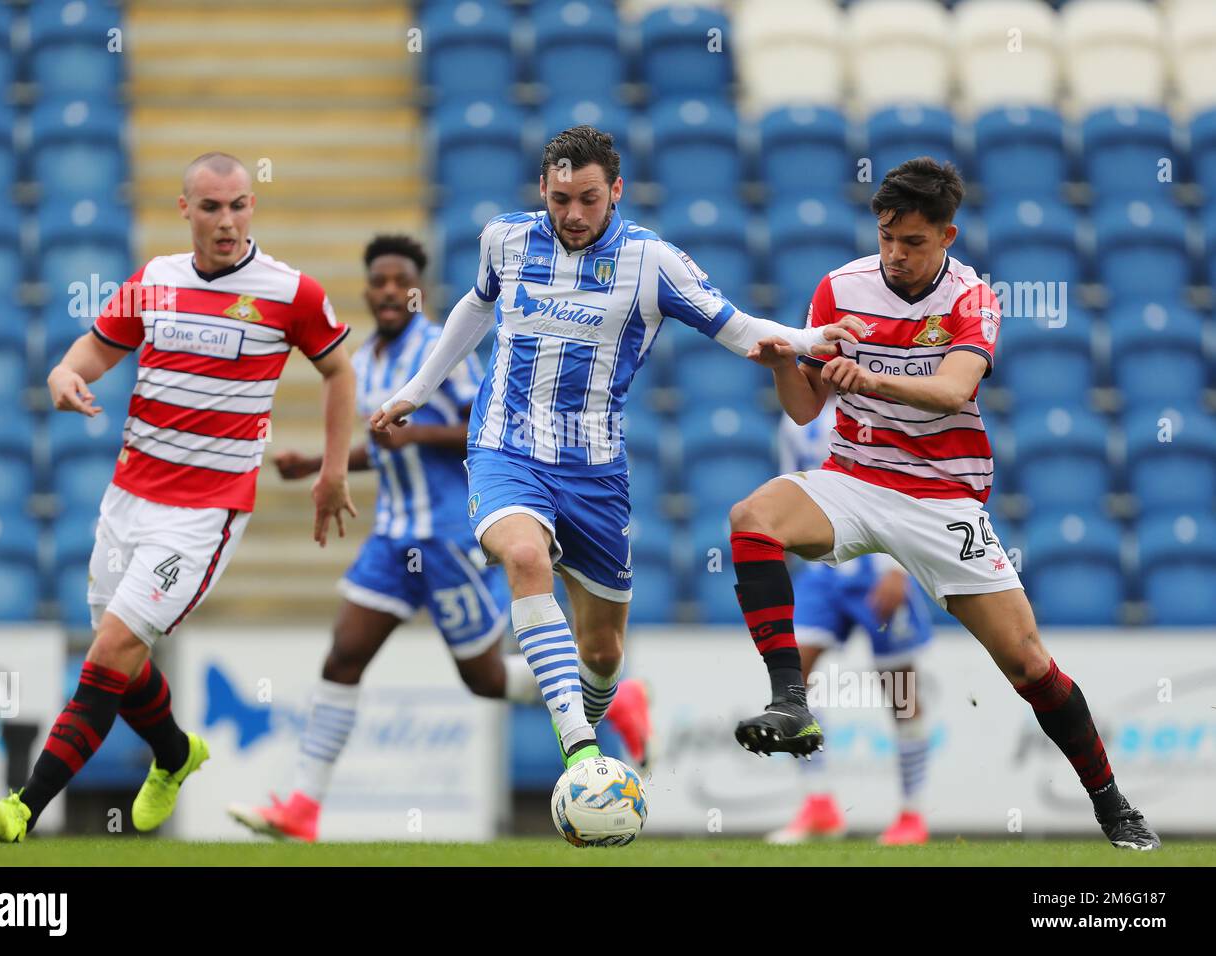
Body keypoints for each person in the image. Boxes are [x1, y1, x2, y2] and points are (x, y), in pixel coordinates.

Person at [372, 126, 860, 769]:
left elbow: (740, 330)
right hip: (506, 446)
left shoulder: (651, 260)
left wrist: (811, 338)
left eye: (590, 199)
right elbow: (476, 304)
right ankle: (581, 751)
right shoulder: (506, 239)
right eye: (560, 198)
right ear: (543, 190)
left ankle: (605, 709)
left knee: (601, 655)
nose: (573, 214)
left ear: (617, 191)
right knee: (524, 555)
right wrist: (416, 388)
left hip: (594, 471)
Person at [730, 157, 1159, 849]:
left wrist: (867, 376)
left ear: (948, 236)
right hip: (854, 476)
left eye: (914, 242)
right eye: (887, 238)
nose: (896, 255)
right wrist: (787, 364)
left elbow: (954, 390)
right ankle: (789, 703)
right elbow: (807, 410)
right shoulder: (839, 288)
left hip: (941, 499)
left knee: (1028, 664)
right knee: (751, 518)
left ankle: (1112, 804)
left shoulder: (971, 299)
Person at [0, 152, 356, 842]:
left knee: (112, 649)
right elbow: (92, 351)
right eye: (211, 208)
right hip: (128, 498)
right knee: (122, 654)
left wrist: (333, 471)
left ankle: (23, 807)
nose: (227, 221)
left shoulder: (290, 292)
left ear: (252, 208)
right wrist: (63, 374)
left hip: (204, 515)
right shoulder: (155, 281)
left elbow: (338, 370)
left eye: (239, 205)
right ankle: (176, 756)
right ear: (186, 210)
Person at [227, 235, 650, 841]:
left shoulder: (441, 351)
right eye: (380, 281)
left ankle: (613, 692)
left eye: (402, 281)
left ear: (417, 290)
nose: (391, 291)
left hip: (447, 538)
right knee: (344, 654)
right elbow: (387, 439)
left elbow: (483, 432)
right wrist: (324, 464)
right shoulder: (367, 358)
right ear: (368, 290)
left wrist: (420, 437)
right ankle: (302, 807)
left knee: (483, 679)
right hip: (392, 537)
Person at [764, 397, 934, 846]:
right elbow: (788, 486)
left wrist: (899, 569)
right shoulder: (795, 420)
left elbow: (905, 486)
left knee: (900, 690)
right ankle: (819, 804)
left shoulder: (881, 406)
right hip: (823, 569)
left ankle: (912, 814)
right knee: (793, 675)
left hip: (880, 561)